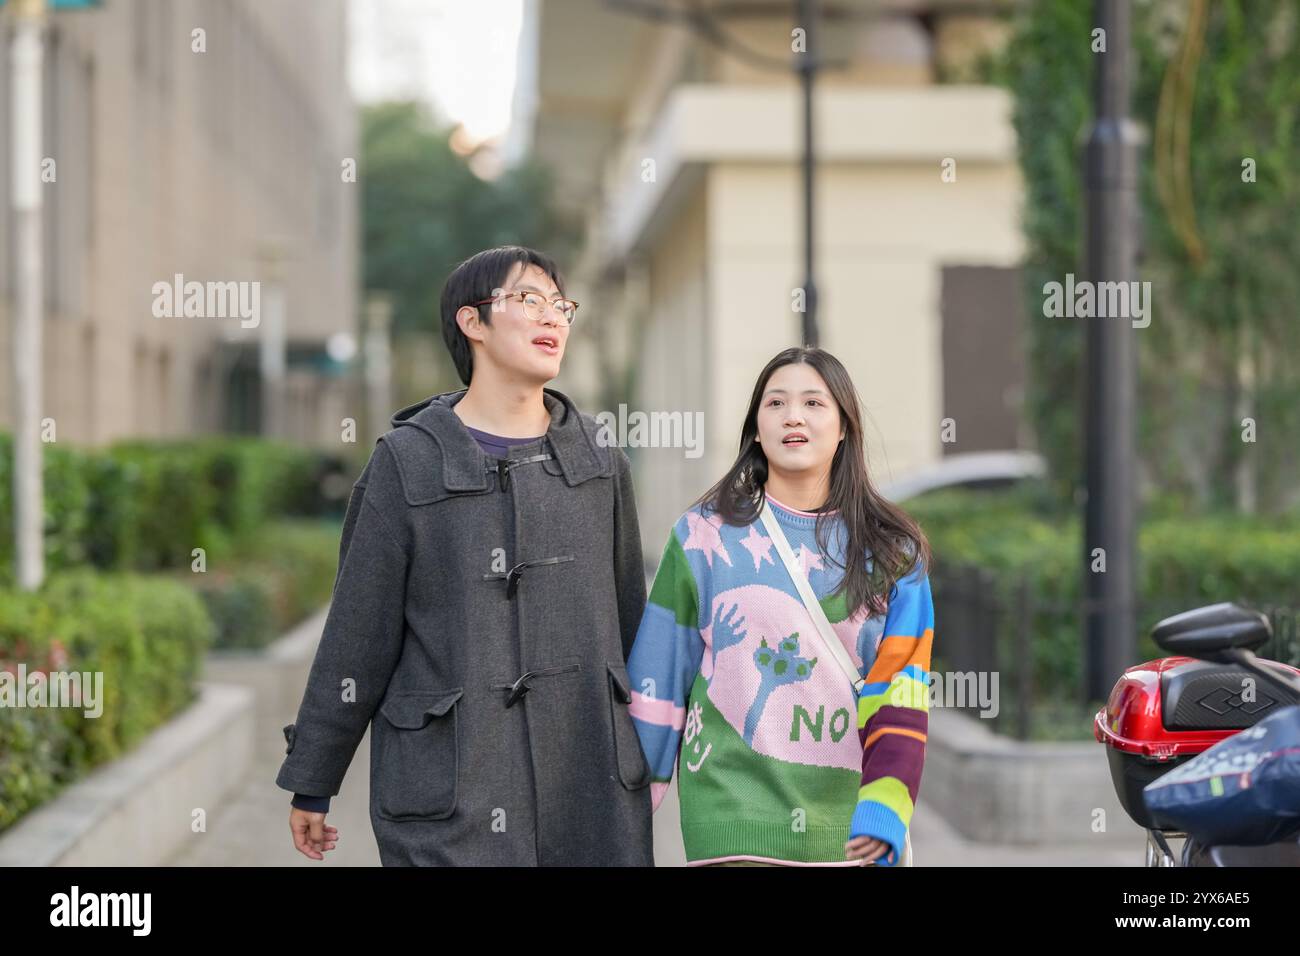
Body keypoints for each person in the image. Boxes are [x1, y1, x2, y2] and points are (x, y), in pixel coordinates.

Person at [277, 245, 653, 865]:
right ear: (471, 322)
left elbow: (634, 621)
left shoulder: (599, 462)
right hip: (451, 790)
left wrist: (659, 754)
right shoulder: (408, 461)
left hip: (591, 781)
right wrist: (315, 775)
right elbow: (358, 630)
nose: (553, 318)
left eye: (560, 305)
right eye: (528, 300)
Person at [627, 346, 933, 866]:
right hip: (731, 822)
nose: (794, 415)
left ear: (843, 429)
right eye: (776, 403)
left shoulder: (893, 550)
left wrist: (884, 809)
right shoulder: (703, 537)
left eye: (814, 403)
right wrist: (624, 815)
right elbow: (655, 684)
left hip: (846, 829)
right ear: (756, 429)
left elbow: (902, 693)